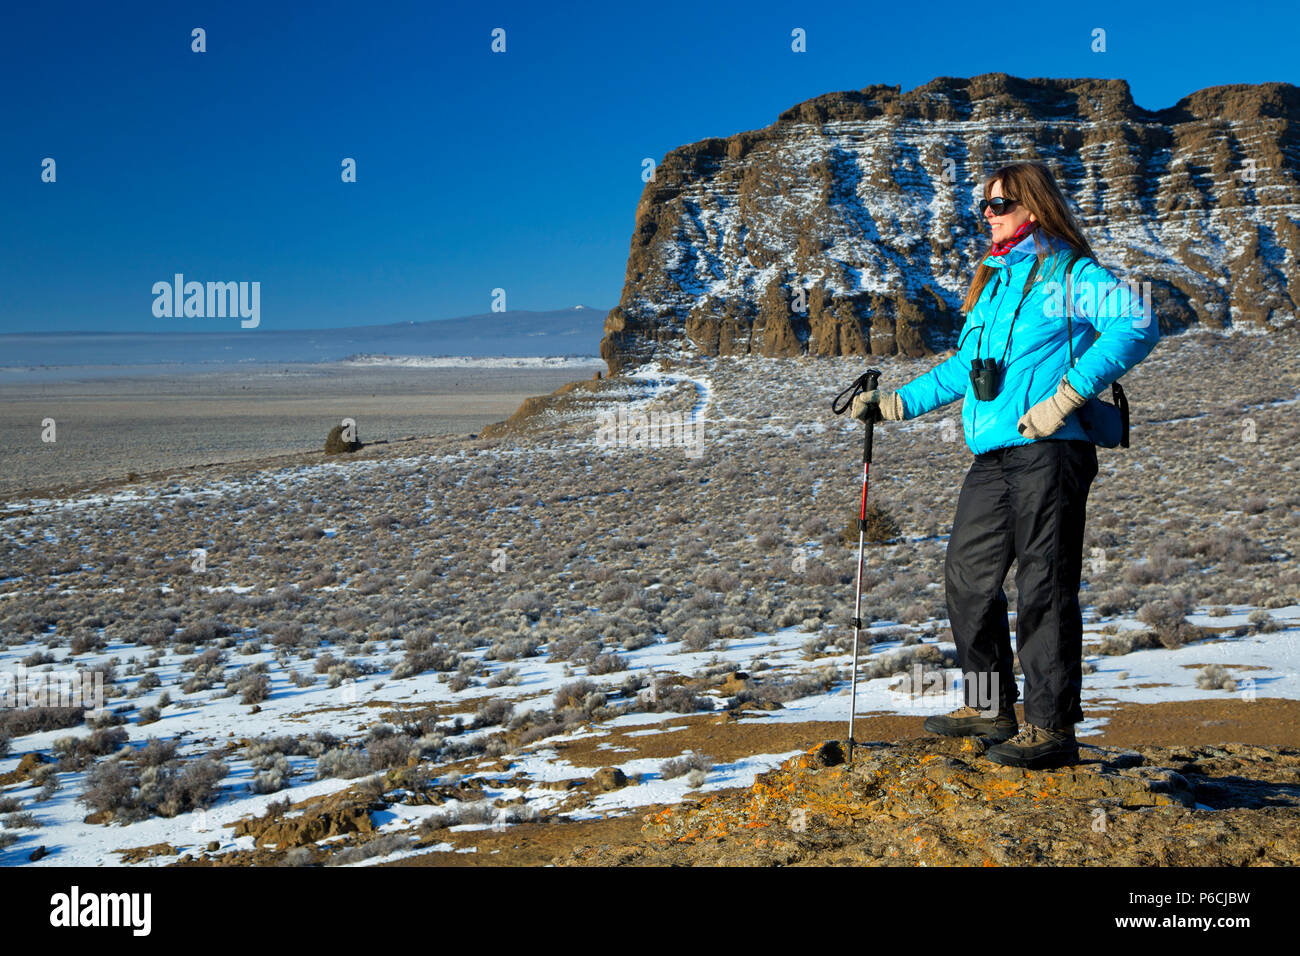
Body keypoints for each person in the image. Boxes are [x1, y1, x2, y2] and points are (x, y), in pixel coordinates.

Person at [850, 161, 1159, 769]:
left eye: (999, 204)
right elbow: (962, 371)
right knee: (967, 578)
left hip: (1052, 451)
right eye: (984, 205)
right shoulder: (991, 286)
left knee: (1044, 584)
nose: (986, 215)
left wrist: (1066, 398)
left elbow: (1139, 322)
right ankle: (990, 707)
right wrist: (892, 405)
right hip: (992, 457)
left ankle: (1051, 728)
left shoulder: (1069, 272)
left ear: (1033, 207)